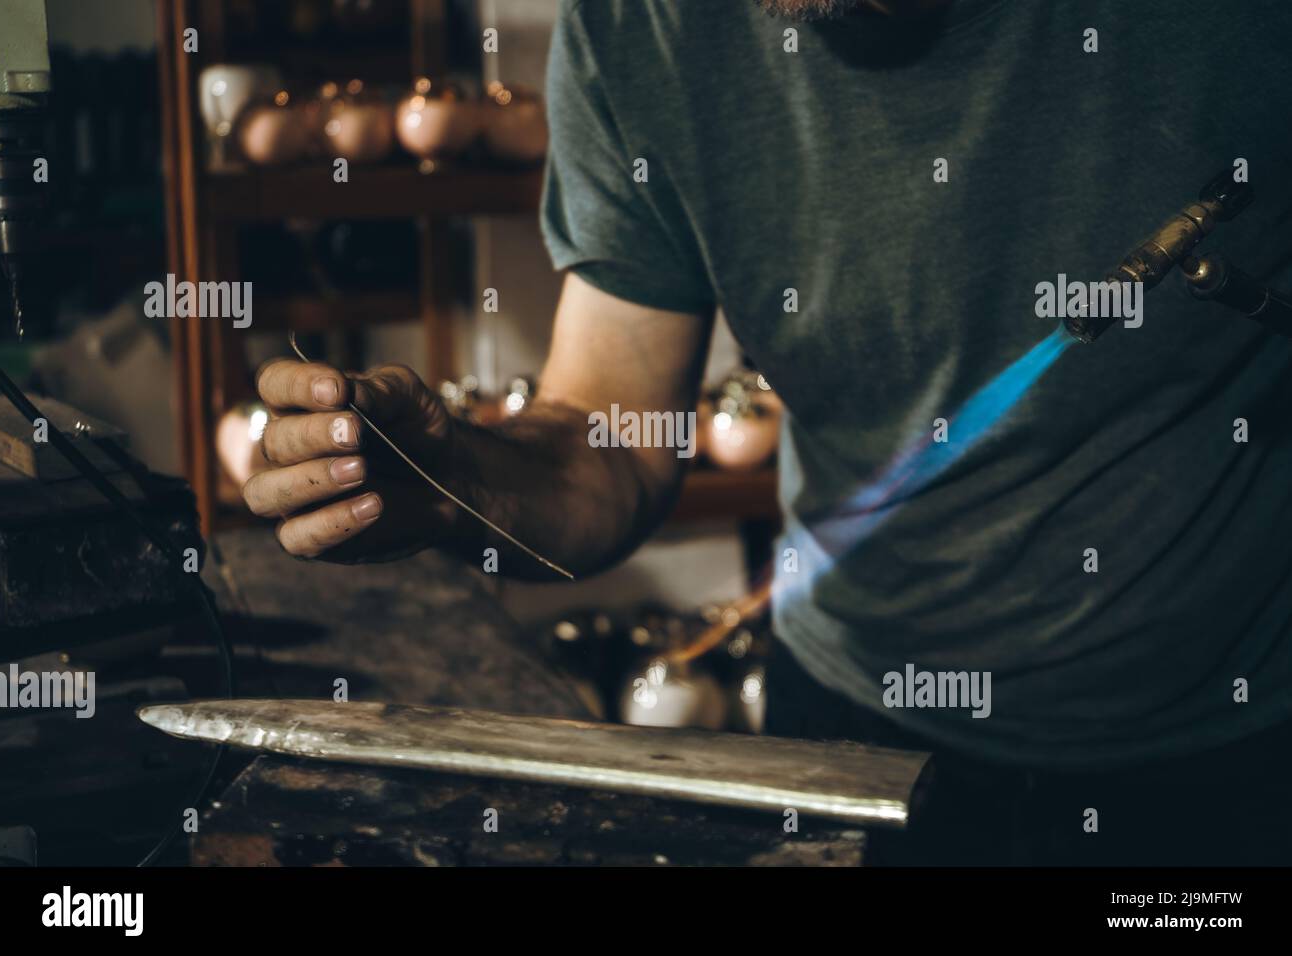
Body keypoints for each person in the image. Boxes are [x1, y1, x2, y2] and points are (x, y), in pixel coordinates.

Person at [244, 0, 1292, 864]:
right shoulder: (639, 26)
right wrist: (467, 480)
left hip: (1221, 754)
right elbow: (613, 433)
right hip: (851, 735)